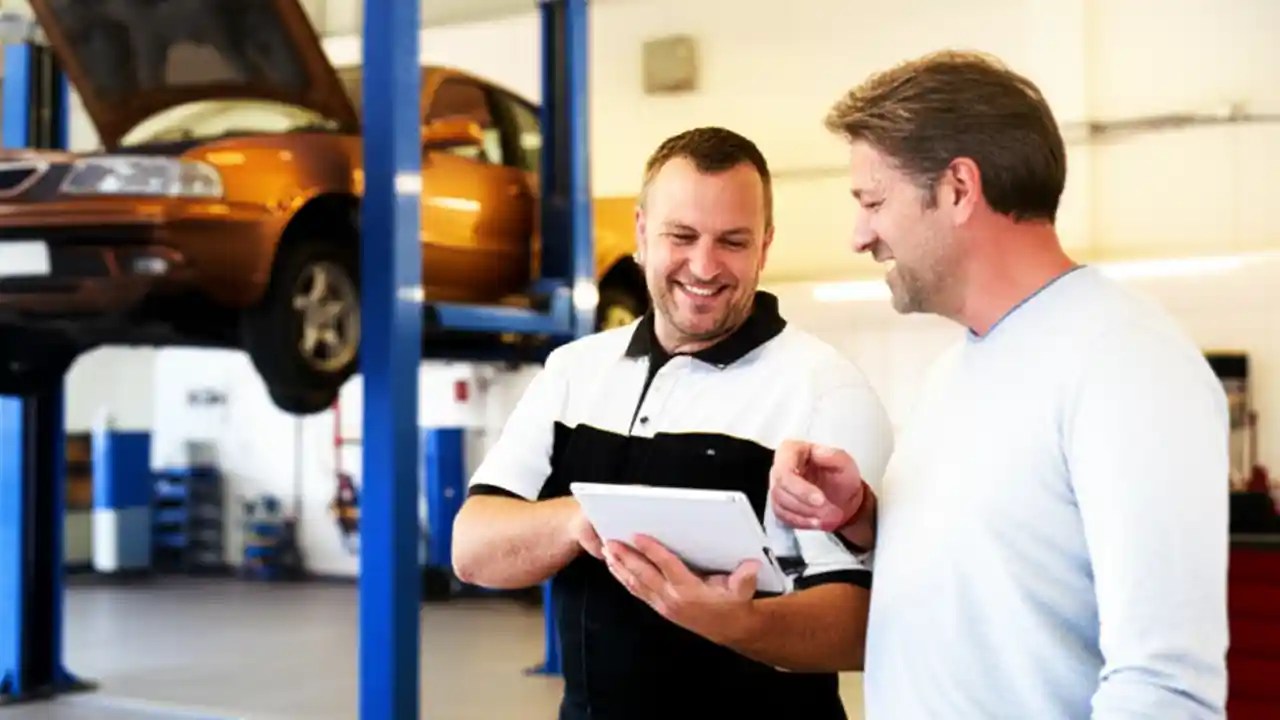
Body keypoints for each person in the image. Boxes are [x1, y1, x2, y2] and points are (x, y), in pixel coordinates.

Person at [770, 50, 1231, 719]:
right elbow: (993, 578)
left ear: (959, 188)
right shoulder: (961, 364)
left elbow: (1164, 687)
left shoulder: (1125, 362)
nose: (859, 235)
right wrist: (864, 519)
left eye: (873, 201)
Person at [451, 126, 894, 719]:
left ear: (764, 246)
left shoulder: (824, 389)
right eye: (681, 236)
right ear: (640, 233)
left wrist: (739, 624)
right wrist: (584, 518)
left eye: (732, 241)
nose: (704, 266)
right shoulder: (573, 372)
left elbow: (860, 626)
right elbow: (472, 551)